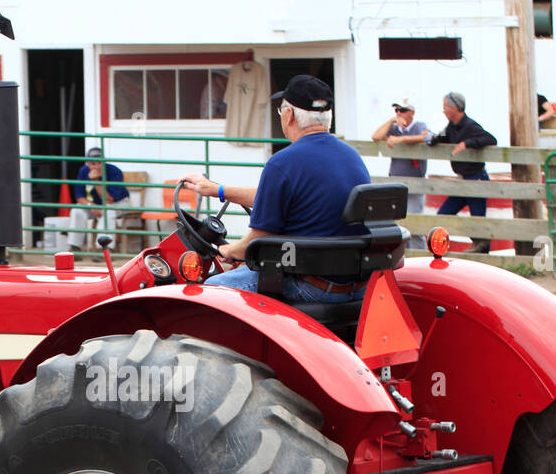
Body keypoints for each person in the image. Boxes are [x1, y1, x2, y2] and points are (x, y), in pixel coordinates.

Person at [179, 74, 371, 305]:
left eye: (281, 111)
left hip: (310, 284)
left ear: (289, 115)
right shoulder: (351, 157)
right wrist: (216, 190)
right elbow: (280, 198)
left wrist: (229, 250)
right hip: (356, 285)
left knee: (207, 292)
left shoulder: (283, 163)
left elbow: (257, 241)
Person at [424, 91, 497, 253]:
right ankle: (473, 244)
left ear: (454, 108)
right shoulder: (451, 127)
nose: (443, 110)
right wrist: (431, 138)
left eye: (445, 107)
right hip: (463, 180)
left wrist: (468, 143)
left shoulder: (470, 126)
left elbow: (491, 139)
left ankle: (484, 259)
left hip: (477, 179)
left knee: (478, 222)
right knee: (443, 215)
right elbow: (442, 137)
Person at [372, 96, 429, 249]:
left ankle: (419, 257)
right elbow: (376, 136)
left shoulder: (419, 125)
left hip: (415, 182)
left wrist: (400, 140)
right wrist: (391, 121)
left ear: (411, 112)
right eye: (396, 110)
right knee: (396, 223)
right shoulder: (394, 128)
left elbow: (427, 137)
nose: (399, 113)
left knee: (415, 225)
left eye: (402, 110)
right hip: (396, 182)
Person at [67, 147, 130, 250]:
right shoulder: (83, 171)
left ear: (104, 162)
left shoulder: (114, 171)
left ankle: (104, 249)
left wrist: (96, 181)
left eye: (99, 162)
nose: (97, 166)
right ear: (87, 163)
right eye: (93, 163)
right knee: (76, 211)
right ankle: (75, 247)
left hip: (119, 203)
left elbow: (109, 200)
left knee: (108, 211)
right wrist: (91, 206)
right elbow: (79, 197)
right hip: (96, 204)